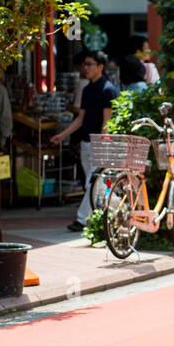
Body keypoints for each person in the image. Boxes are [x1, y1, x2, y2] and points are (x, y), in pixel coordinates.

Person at [50, 49, 117, 232]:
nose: (85, 68)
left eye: (89, 64)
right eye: (84, 64)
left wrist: (103, 143)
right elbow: (81, 118)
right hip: (86, 142)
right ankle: (114, 211)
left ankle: (82, 219)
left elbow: (107, 121)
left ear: (101, 67)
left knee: (92, 182)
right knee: (96, 182)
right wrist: (63, 135)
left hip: (99, 142)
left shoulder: (108, 90)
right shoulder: (87, 89)